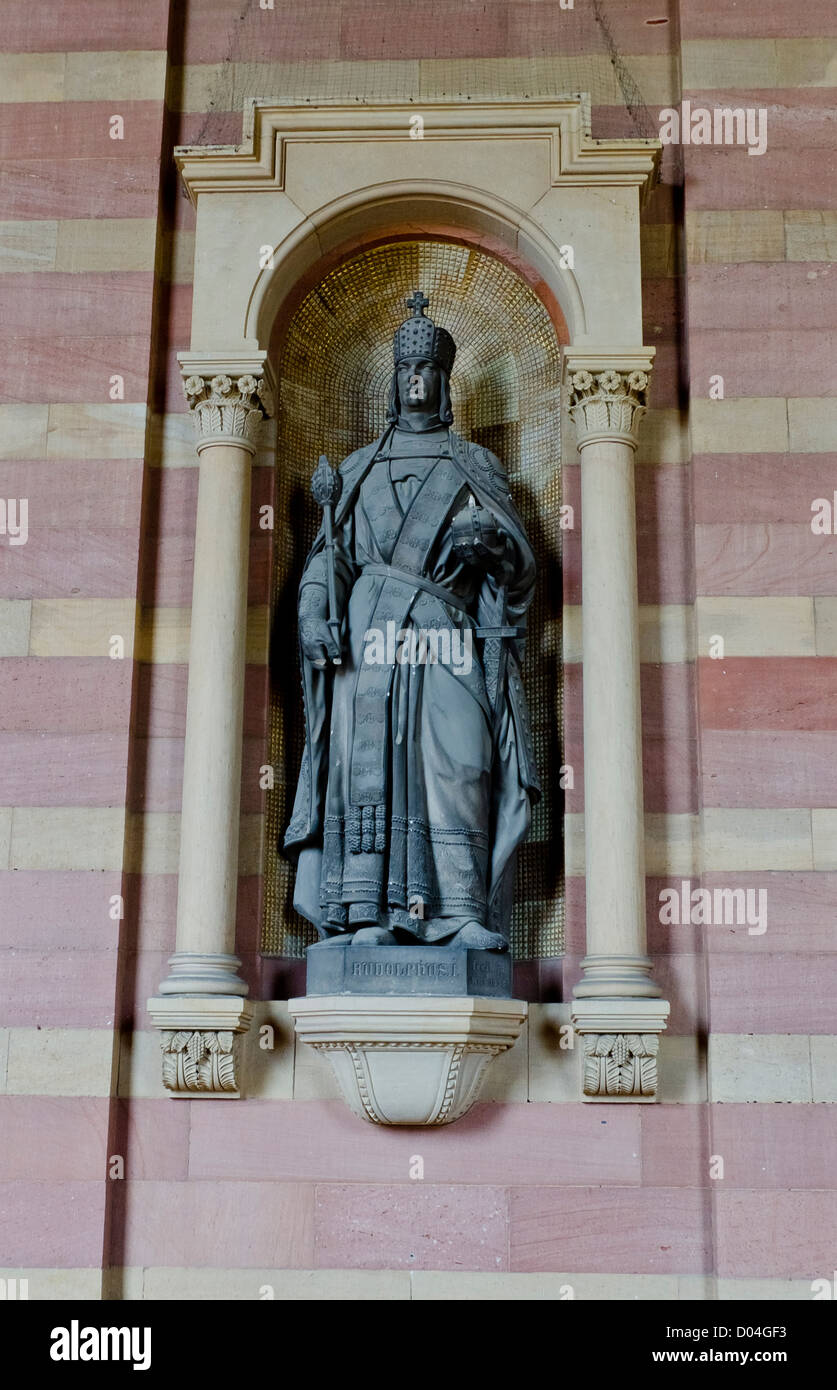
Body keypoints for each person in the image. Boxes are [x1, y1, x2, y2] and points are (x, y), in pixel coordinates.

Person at [284, 291, 539, 951]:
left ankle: (459, 912)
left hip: (445, 635)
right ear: (394, 382)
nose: (417, 380)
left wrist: (489, 544)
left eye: (427, 371)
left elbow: (518, 565)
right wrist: (314, 609)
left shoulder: (473, 464)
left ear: (444, 383)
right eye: (406, 371)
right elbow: (326, 563)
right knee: (364, 771)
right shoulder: (355, 469)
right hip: (368, 644)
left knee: (460, 762)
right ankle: (363, 914)